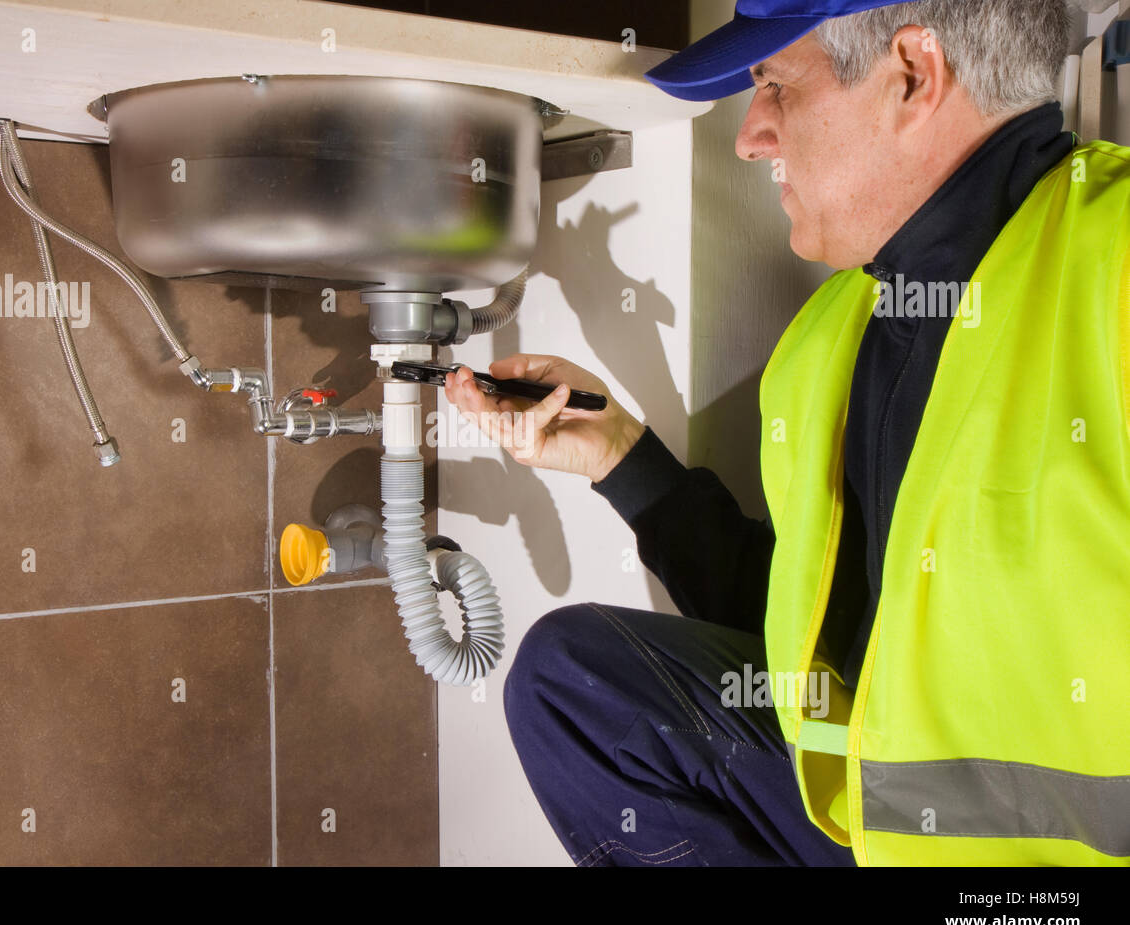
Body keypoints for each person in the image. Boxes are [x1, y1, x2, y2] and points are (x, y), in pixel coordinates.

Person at [443, 0, 1130, 866]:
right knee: (574, 685)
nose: (751, 136)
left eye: (773, 86)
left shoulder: (1117, 266)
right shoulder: (833, 333)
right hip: (875, 828)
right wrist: (625, 460)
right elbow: (812, 644)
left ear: (911, 76)